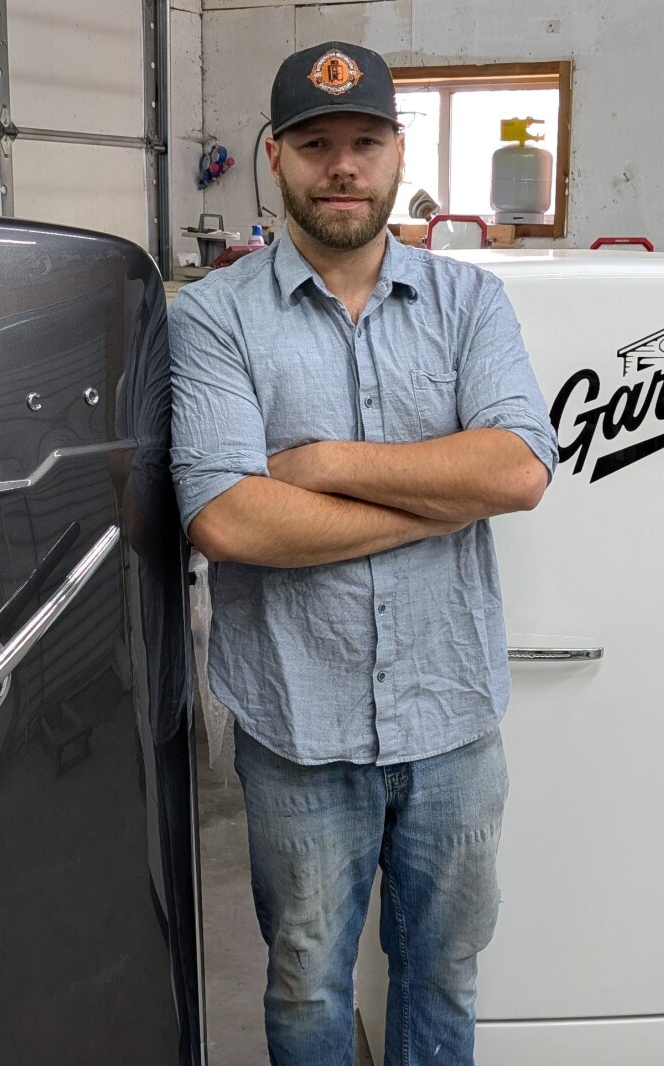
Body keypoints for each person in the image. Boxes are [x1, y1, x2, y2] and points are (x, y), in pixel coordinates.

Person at [169, 40, 557, 1066]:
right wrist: (439, 502)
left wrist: (320, 462)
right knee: (305, 985)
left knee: (443, 971)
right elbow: (227, 518)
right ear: (275, 158)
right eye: (314, 144)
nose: (341, 165)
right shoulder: (212, 318)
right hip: (297, 727)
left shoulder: (468, 302)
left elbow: (516, 470)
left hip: (451, 723)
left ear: (394, 154)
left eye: (363, 142)